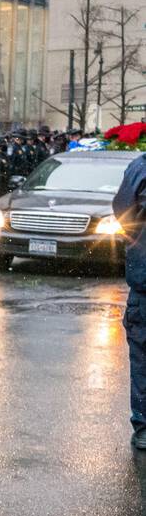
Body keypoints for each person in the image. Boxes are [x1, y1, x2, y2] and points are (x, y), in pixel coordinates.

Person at [113, 152, 146, 450]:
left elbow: (122, 210)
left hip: (145, 279)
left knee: (142, 356)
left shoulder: (140, 167)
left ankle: (144, 424)